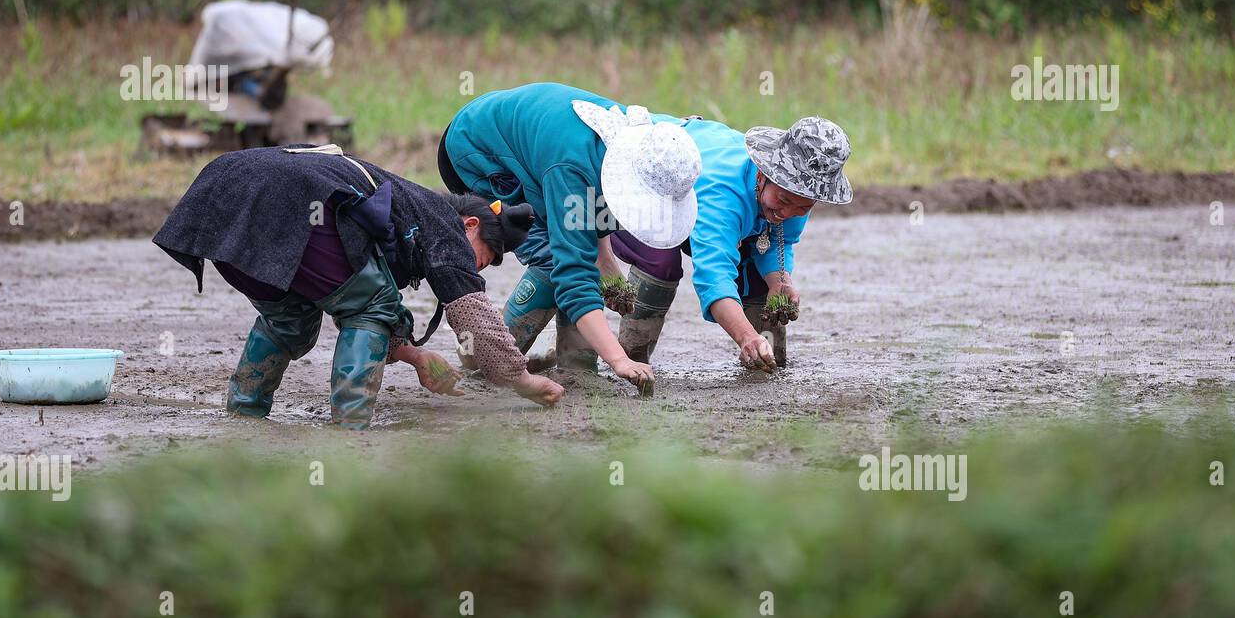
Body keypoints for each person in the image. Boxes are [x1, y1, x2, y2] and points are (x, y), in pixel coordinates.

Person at [153, 144, 565, 429]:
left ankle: (244, 414)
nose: (478, 267)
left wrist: (416, 356)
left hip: (223, 191)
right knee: (370, 311)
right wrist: (521, 380)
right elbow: (472, 317)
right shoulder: (443, 222)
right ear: (470, 225)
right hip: (290, 200)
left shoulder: (415, 214)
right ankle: (349, 430)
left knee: (289, 319)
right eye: (485, 256)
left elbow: (351, 289)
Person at [438, 83, 700, 388]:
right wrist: (619, 360)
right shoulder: (572, 169)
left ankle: (577, 364)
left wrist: (606, 261)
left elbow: (591, 210)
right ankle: (488, 359)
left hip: (538, 144)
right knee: (554, 260)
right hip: (476, 149)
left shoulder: (636, 147)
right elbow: (573, 271)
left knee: (573, 249)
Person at [606, 115, 853, 371]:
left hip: (708, 195)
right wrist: (745, 336)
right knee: (660, 262)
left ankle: (766, 362)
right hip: (644, 176)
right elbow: (714, 276)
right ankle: (625, 359)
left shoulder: (796, 195)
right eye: (783, 200)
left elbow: (776, 242)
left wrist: (779, 281)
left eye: (803, 207)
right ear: (761, 175)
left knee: (759, 272)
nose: (788, 213)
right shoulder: (721, 194)